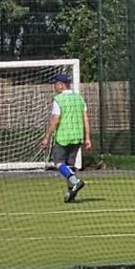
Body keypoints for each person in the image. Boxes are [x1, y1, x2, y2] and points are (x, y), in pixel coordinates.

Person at [40, 73, 91, 202]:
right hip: (77, 137)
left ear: (61, 85)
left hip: (63, 137)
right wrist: (87, 138)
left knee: (59, 164)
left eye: (56, 84)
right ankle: (71, 194)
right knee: (70, 166)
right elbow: (86, 119)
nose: (54, 86)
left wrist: (47, 137)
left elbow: (55, 120)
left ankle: (75, 181)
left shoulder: (58, 100)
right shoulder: (79, 98)